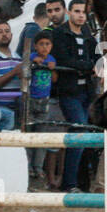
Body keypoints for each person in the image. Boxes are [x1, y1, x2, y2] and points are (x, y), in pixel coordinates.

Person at [51, 0, 98, 190]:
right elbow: (64, 59)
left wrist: (91, 66)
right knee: (80, 133)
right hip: (69, 92)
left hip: (86, 92)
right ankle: (69, 183)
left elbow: (98, 57)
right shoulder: (59, 34)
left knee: (82, 135)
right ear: (69, 12)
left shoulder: (88, 34)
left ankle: (77, 182)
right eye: (77, 11)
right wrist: (90, 67)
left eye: (83, 12)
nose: (80, 15)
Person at [25, 31, 63, 186]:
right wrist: (37, 61)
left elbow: (54, 79)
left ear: (51, 46)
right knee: (28, 134)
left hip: (44, 101)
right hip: (30, 100)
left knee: (41, 134)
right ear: (35, 46)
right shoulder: (32, 56)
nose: (45, 47)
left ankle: (38, 167)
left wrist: (52, 68)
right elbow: (29, 61)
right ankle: (28, 167)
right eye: (41, 44)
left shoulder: (52, 59)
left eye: (48, 44)